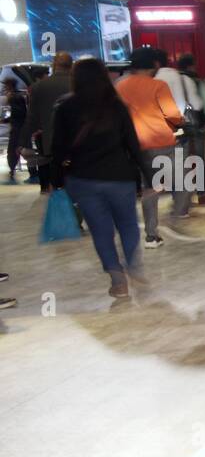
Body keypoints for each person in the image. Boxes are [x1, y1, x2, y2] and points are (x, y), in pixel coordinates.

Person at [49, 58, 153, 297]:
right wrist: (148, 175)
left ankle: (117, 279)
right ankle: (134, 266)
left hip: (83, 178)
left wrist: (56, 179)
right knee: (127, 224)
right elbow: (133, 145)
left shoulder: (65, 108)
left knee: (101, 230)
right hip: (119, 176)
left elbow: (58, 147)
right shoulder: (116, 106)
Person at [117, 46, 185, 246]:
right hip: (159, 140)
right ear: (153, 64)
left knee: (148, 187)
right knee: (181, 178)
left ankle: (151, 234)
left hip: (131, 143)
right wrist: (179, 121)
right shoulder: (158, 85)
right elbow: (173, 114)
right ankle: (176, 213)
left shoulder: (120, 86)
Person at [157, 53, 205, 204]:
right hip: (193, 124)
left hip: (171, 125)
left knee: (179, 160)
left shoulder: (156, 80)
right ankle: (202, 194)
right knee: (199, 158)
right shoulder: (189, 80)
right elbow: (200, 104)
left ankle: (182, 197)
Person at [19, 51, 73, 193]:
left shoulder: (39, 87)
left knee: (59, 185)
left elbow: (32, 118)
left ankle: (65, 210)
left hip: (52, 143)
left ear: (54, 65)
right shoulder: (80, 84)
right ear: (71, 65)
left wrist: (22, 141)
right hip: (80, 143)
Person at [3, 80, 27, 183]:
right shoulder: (18, 96)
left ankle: (12, 168)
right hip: (20, 126)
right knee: (18, 148)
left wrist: (7, 120)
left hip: (17, 128)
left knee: (13, 149)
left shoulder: (14, 97)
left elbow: (18, 114)